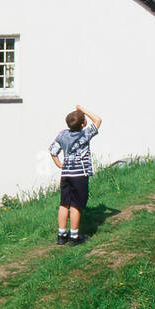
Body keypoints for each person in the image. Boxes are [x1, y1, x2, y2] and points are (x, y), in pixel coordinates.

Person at [49, 104, 102, 245]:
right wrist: (83, 110)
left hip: (66, 174)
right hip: (80, 174)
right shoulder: (85, 133)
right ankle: (74, 237)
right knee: (76, 206)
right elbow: (98, 120)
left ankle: (61, 236)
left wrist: (60, 165)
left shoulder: (62, 135)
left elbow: (53, 151)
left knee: (64, 204)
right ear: (83, 124)